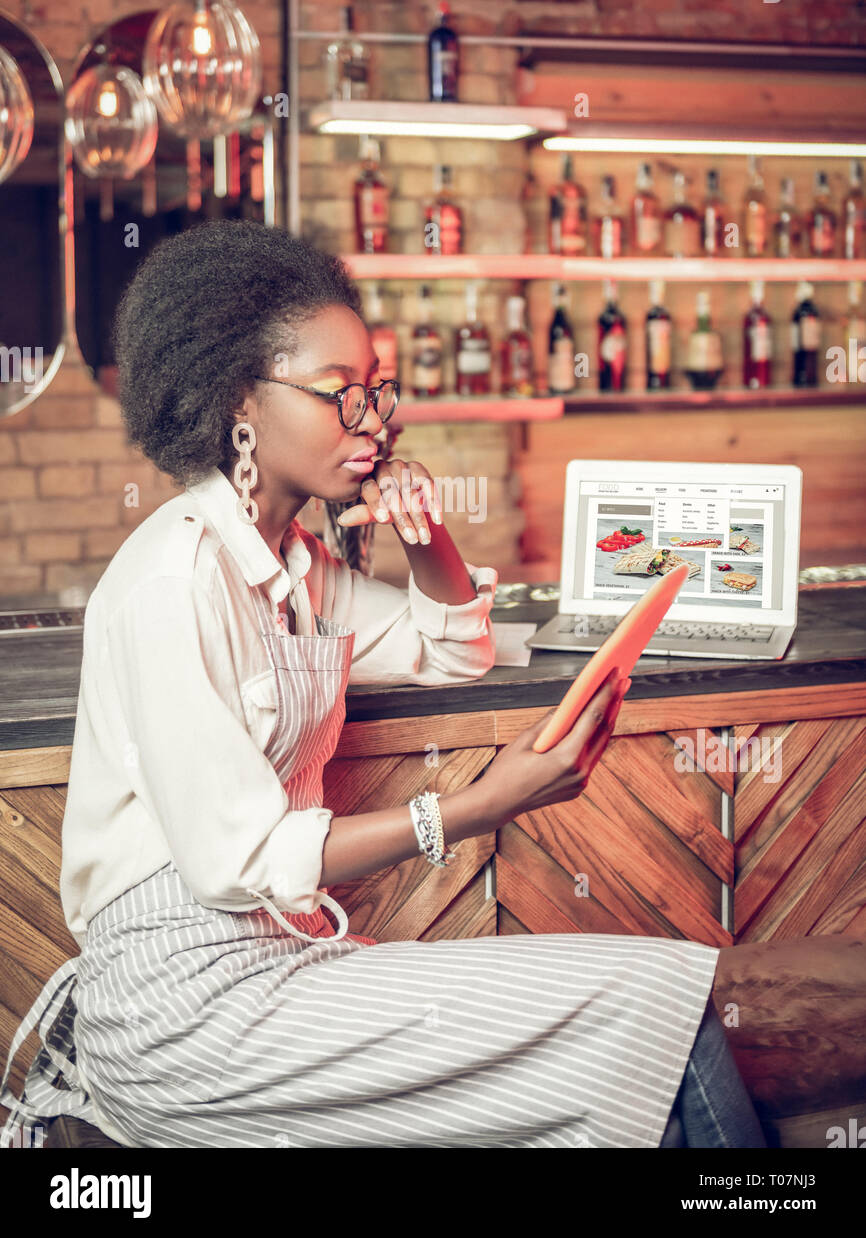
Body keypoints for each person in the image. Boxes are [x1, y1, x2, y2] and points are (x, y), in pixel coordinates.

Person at [0, 221, 766, 1150]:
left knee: (642, 1024)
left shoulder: (294, 565)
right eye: (341, 396)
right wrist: (479, 808)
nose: (373, 420)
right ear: (239, 400)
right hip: (187, 1013)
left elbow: (450, 649)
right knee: (658, 1005)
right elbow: (235, 864)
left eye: (378, 393)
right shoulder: (175, 580)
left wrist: (419, 528)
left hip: (279, 965)